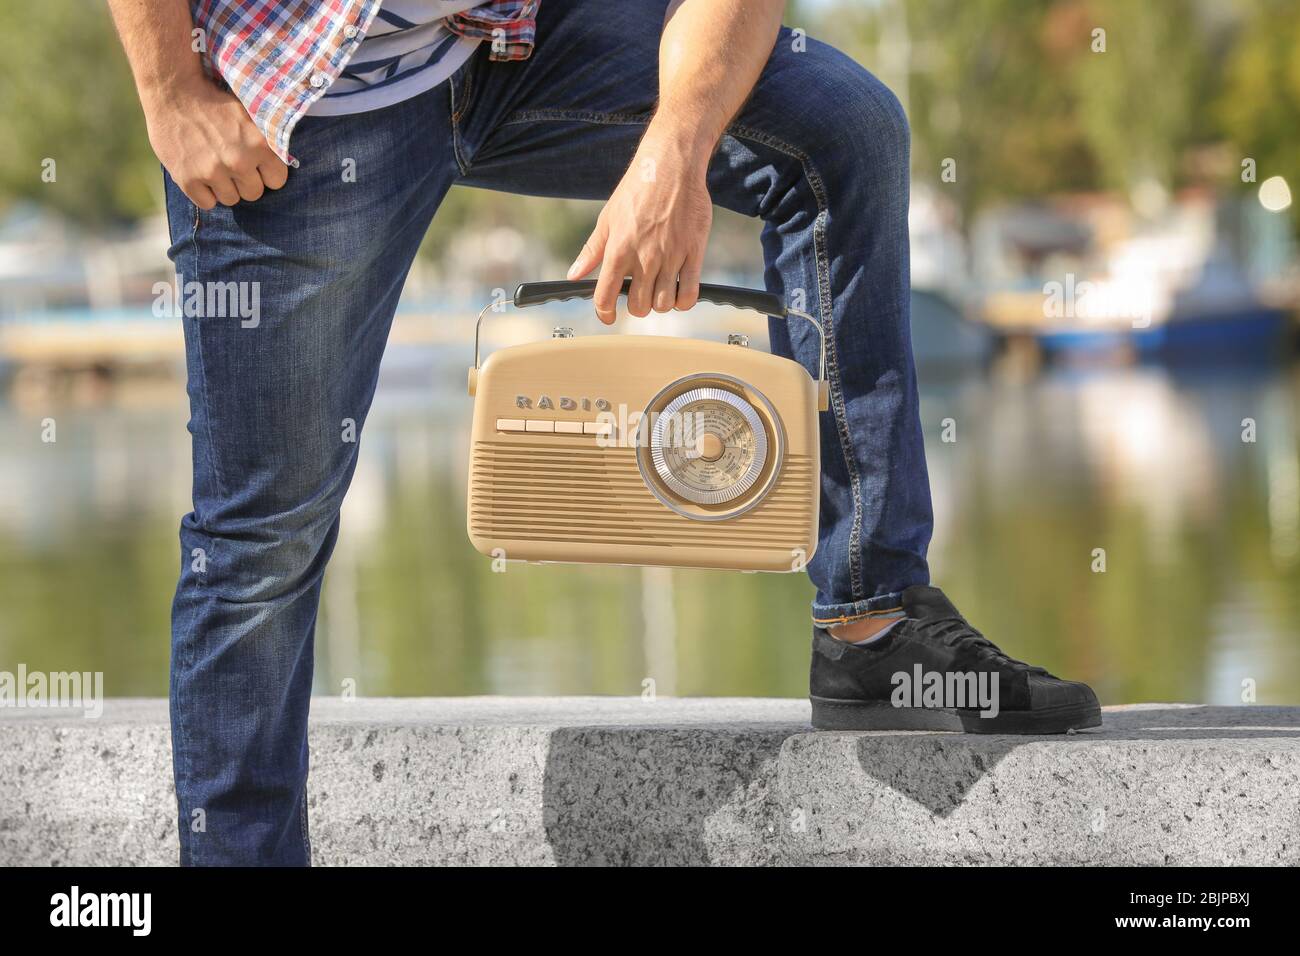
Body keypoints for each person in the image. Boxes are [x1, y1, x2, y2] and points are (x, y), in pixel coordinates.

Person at [106, 0, 1101, 866]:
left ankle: (871, 625)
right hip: (299, 103)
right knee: (261, 540)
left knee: (840, 128)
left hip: (511, 43)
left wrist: (676, 150)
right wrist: (168, 90)